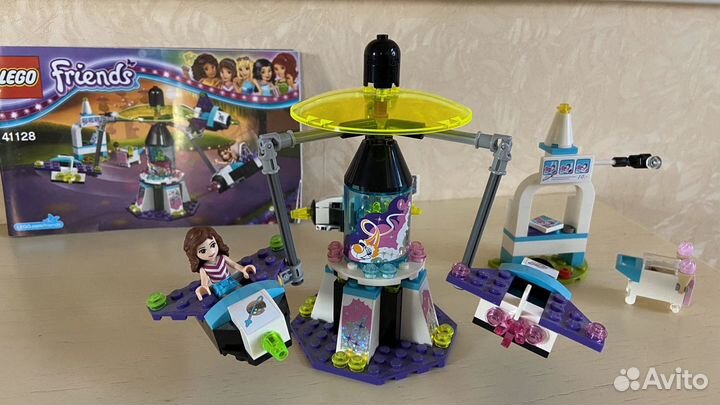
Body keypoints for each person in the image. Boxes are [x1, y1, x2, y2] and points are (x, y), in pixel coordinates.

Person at [183, 226, 256, 300]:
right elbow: (204, 280)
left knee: (240, 291)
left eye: (212, 245)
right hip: (219, 287)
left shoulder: (222, 257)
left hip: (230, 281)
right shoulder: (204, 268)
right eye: (203, 251)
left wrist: (243, 269)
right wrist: (204, 286)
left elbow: (234, 265)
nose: (211, 251)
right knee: (227, 299)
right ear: (194, 254)